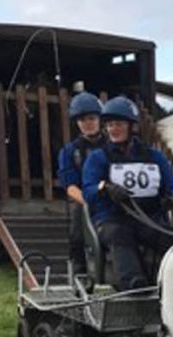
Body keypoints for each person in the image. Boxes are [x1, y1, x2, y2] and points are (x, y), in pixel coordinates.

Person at [82, 96, 173, 290]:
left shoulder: (155, 157)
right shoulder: (98, 158)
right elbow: (88, 190)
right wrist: (105, 188)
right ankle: (134, 284)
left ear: (131, 126)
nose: (113, 129)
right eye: (110, 125)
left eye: (118, 124)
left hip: (148, 217)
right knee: (120, 234)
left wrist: (172, 199)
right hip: (113, 218)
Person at [55, 92, 105, 274]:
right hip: (84, 198)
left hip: (113, 194)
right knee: (77, 216)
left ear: (100, 119)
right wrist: (88, 199)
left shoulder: (112, 146)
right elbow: (70, 186)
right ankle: (79, 266)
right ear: (77, 123)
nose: (88, 123)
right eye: (83, 120)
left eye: (92, 118)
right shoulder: (69, 151)